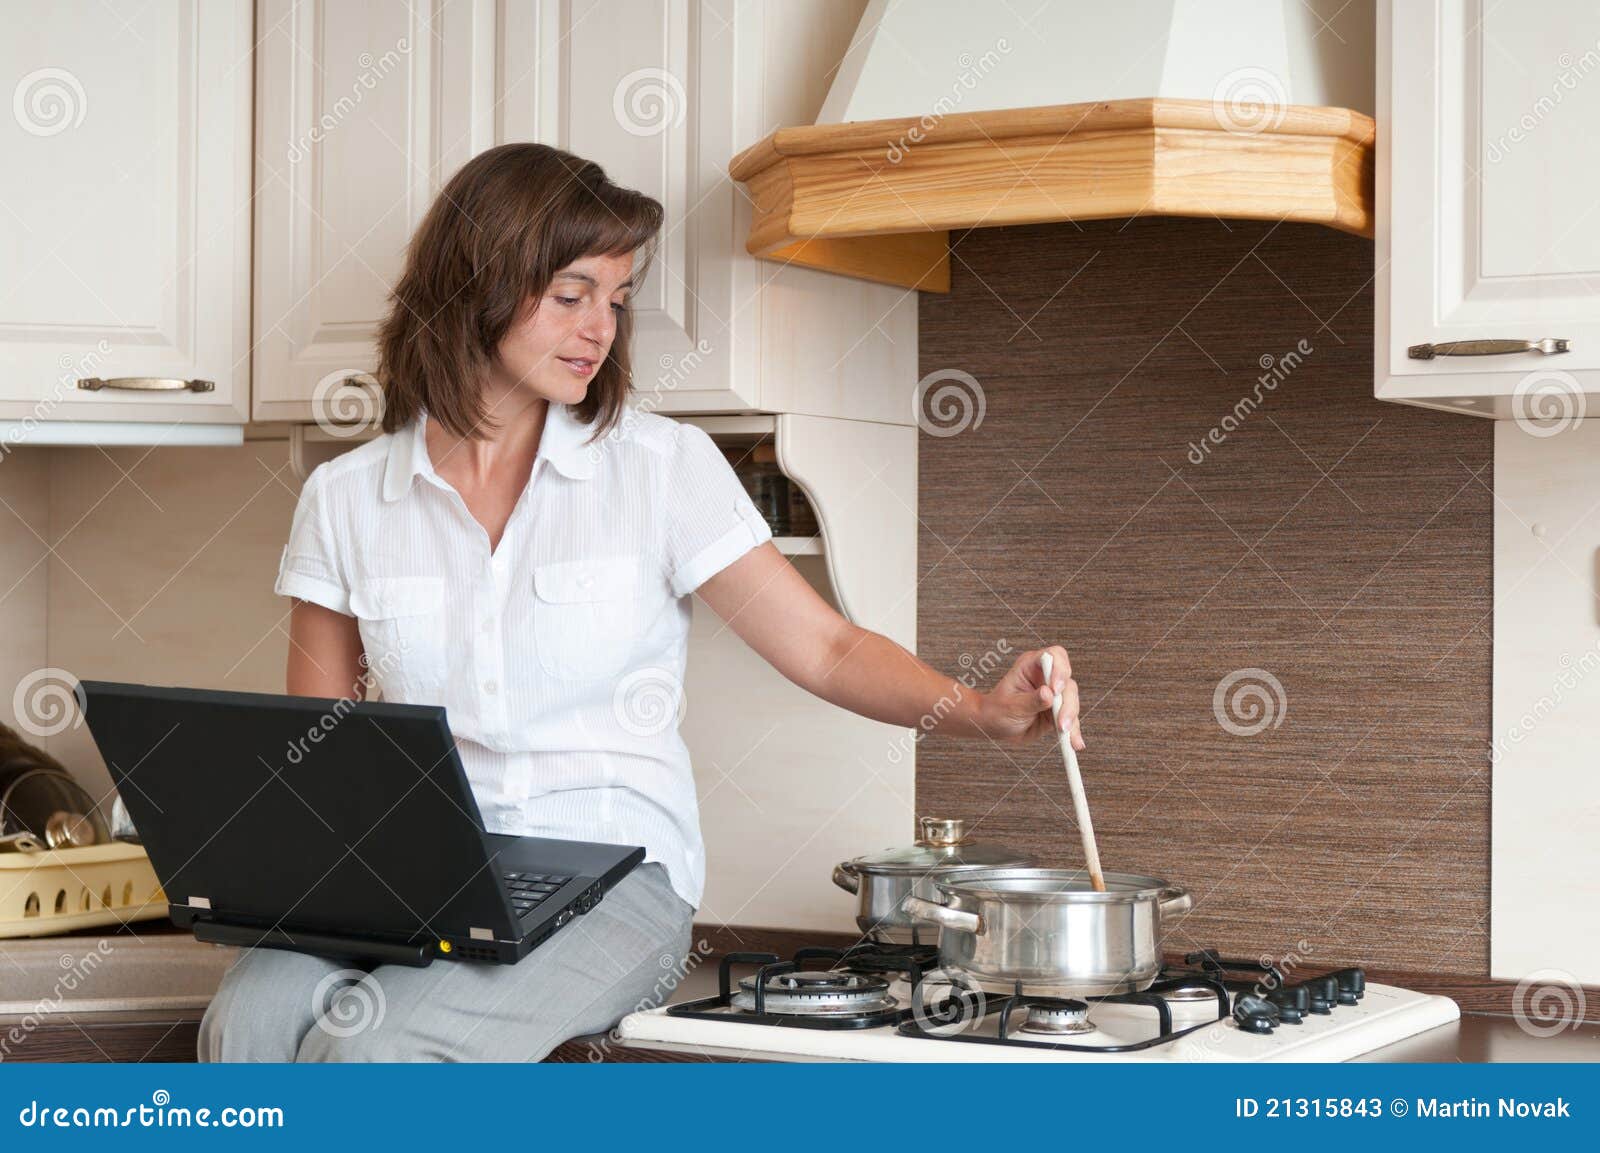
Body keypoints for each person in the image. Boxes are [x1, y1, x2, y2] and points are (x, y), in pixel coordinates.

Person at [199, 143, 1083, 1062]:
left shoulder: (661, 468)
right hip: (417, 874)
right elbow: (318, 739)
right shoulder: (346, 497)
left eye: (616, 300)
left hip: (616, 882)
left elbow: (825, 649)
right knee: (248, 1023)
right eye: (572, 294)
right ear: (477, 284)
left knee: (373, 1053)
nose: (600, 328)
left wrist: (980, 709)